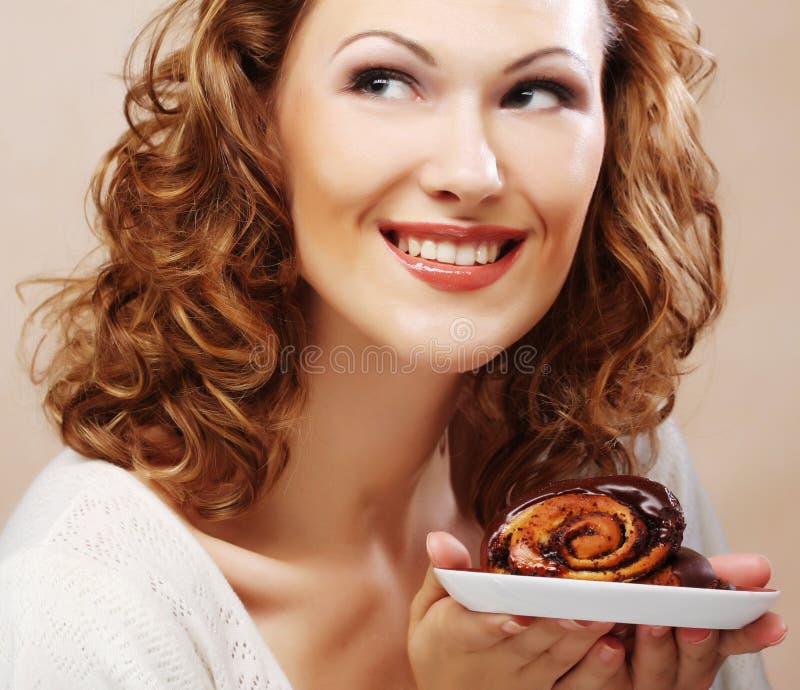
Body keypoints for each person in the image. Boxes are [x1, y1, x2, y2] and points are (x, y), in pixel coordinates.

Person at [0, 0, 786, 688]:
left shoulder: (614, 475)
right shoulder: (79, 609)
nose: (470, 172)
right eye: (382, 81)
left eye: (537, 91)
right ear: (255, 116)